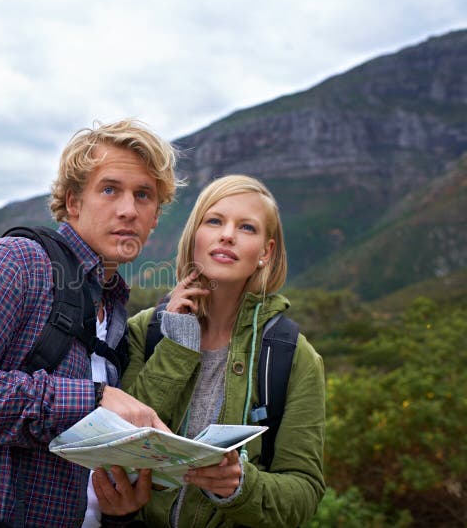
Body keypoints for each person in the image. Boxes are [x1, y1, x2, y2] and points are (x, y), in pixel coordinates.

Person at [0, 119, 179, 527]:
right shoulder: (12, 260)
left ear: (155, 216)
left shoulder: (113, 308)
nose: (128, 209)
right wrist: (93, 398)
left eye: (144, 196)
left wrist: (117, 512)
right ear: (73, 202)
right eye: (110, 189)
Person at [94, 174, 326, 527]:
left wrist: (240, 487)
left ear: (266, 252)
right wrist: (176, 345)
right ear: (194, 239)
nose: (228, 234)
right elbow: (116, 440)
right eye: (214, 221)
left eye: (246, 227)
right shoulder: (145, 330)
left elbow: (304, 492)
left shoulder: (292, 355)